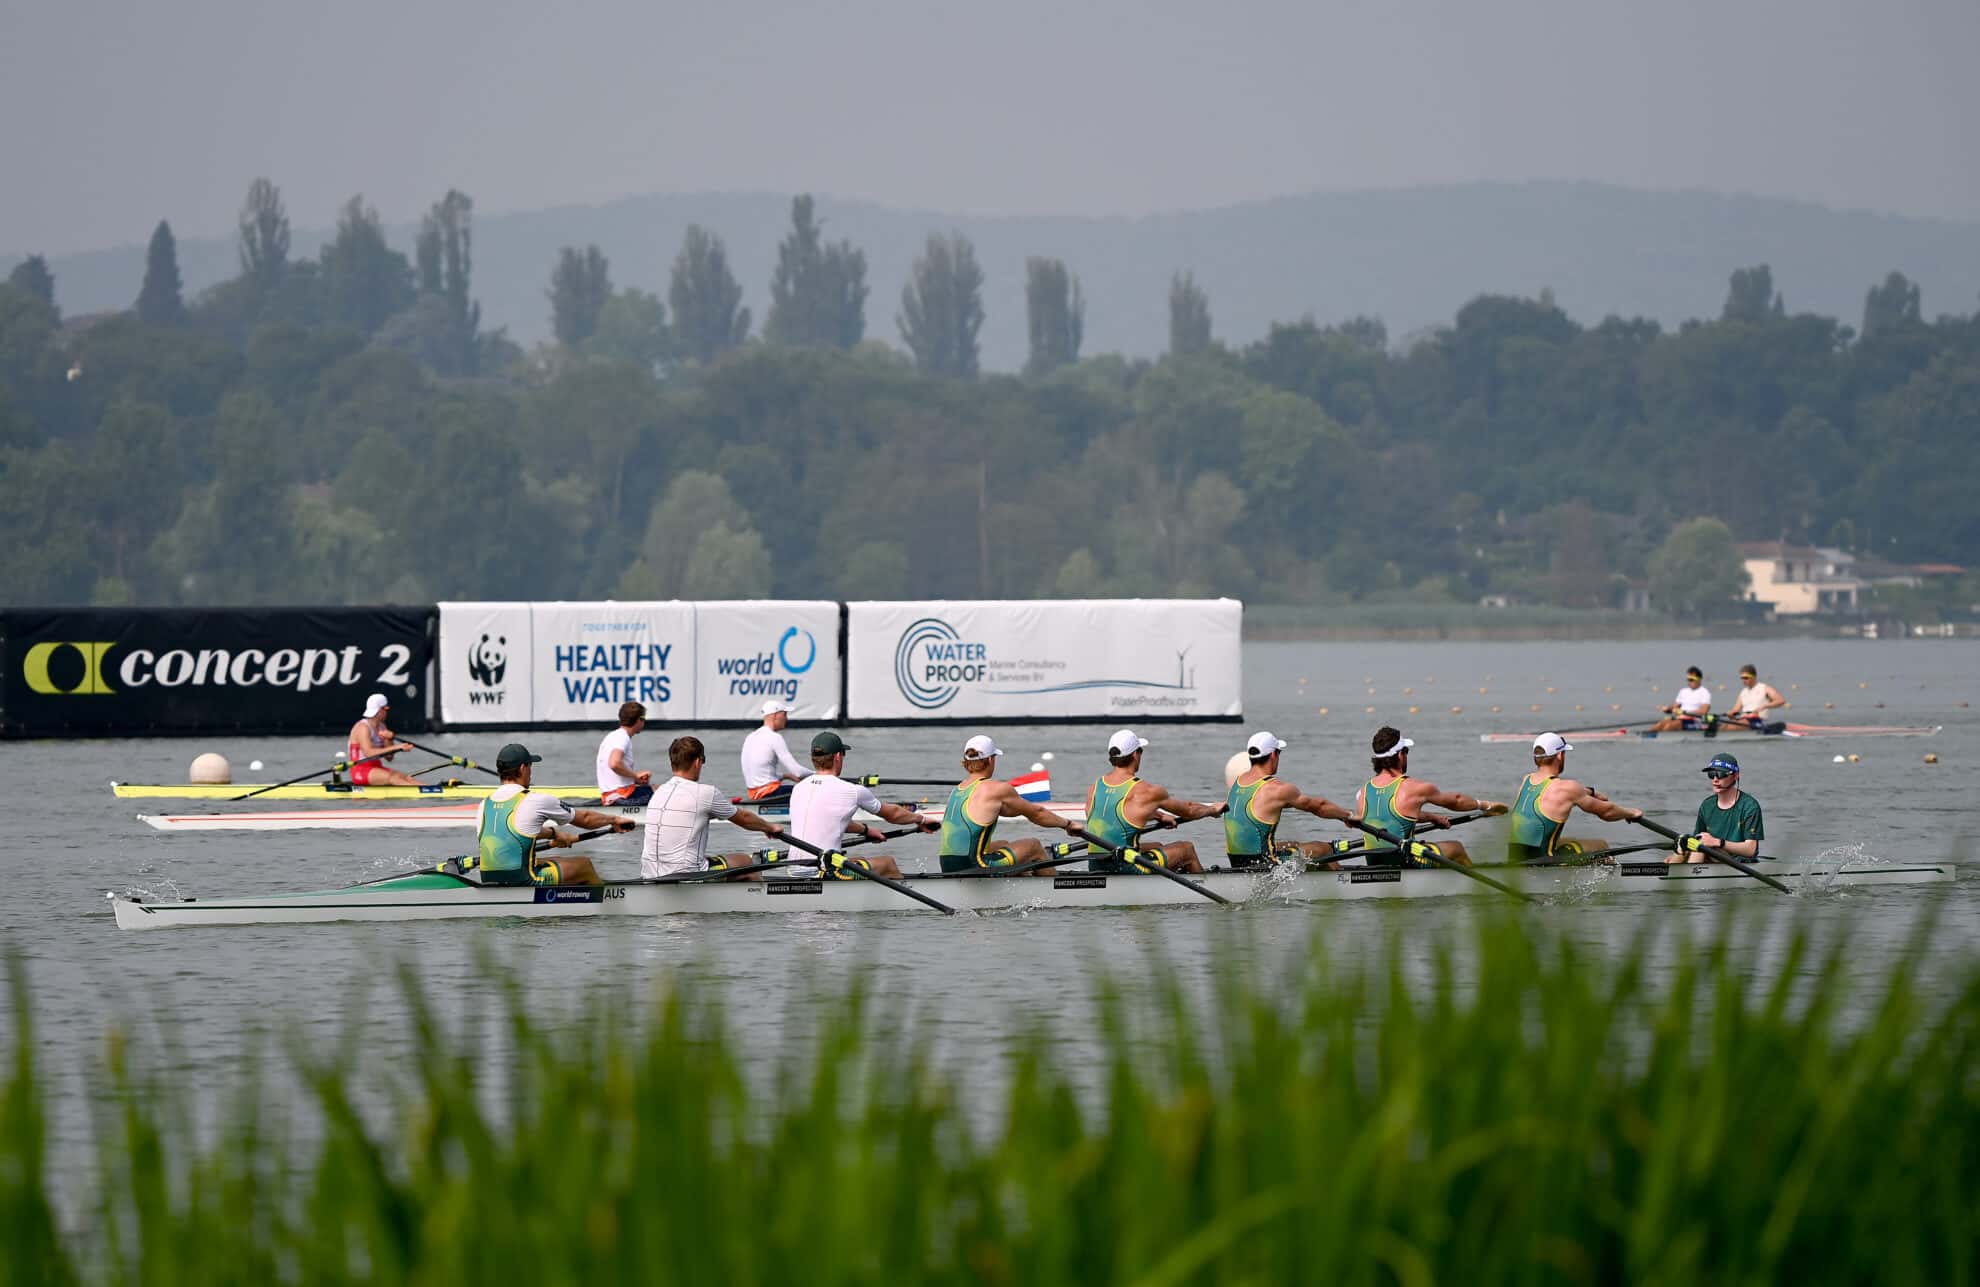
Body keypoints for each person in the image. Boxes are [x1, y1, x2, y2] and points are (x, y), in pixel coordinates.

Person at [477, 743, 635, 886]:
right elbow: (585, 819)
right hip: (524, 879)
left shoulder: (484, 804)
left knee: (558, 861)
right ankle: (606, 907)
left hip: (489, 877)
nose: (531, 773)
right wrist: (614, 819)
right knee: (584, 865)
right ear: (523, 768)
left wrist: (553, 835)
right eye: (531, 766)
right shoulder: (535, 799)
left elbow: (515, 832)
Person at [785, 731, 937, 879]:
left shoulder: (798, 788)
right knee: (888, 864)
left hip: (792, 871)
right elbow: (893, 814)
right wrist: (921, 820)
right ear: (838, 756)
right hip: (825, 874)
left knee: (857, 859)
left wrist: (866, 830)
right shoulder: (851, 790)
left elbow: (829, 819)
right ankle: (901, 902)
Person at [1354, 727, 1506, 867]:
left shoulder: (1363, 792)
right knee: (1456, 848)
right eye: (1406, 751)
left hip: (1373, 860)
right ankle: (1475, 889)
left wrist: (1432, 818)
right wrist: (1484, 805)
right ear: (1400, 755)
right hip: (1405, 860)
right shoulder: (1415, 788)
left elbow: (1391, 817)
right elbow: (1456, 800)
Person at [640, 735, 783, 879]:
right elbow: (744, 819)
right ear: (697, 762)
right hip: (687, 875)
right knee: (747, 863)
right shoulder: (706, 793)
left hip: (649, 874)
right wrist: (769, 827)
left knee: (706, 858)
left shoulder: (658, 792)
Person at [1083, 729, 1222, 874]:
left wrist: (1159, 816)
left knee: (1157, 846)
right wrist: (1212, 810)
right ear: (1135, 755)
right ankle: (1201, 890)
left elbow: (1115, 815)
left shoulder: (1094, 788)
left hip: (1096, 864)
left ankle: (1161, 887)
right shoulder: (1146, 791)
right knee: (1187, 849)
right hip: (1126, 866)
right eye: (1141, 751)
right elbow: (1188, 810)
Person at [937, 735, 1079, 875]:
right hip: (976, 866)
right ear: (991, 759)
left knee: (1003, 845)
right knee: (1033, 846)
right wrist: (1067, 824)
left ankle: (1020, 889)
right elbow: (1038, 813)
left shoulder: (957, 790)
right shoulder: (997, 789)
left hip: (948, 865)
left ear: (967, 762)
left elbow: (1006, 811)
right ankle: (1053, 893)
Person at [1223, 731, 1357, 869]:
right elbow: (1319, 807)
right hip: (1264, 864)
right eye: (1279, 752)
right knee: (1323, 849)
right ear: (1274, 755)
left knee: (1292, 844)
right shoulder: (1277, 789)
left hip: (1237, 862)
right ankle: (1341, 883)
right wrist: (1348, 815)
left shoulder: (1237, 783)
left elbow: (1263, 807)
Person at [1508, 733, 1644, 863]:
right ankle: (1606, 883)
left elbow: (1558, 793)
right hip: (1543, 861)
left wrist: (1591, 792)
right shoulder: (1568, 788)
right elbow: (1607, 812)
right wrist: (1630, 813)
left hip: (1515, 859)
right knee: (1600, 846)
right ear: (1560, 755)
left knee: (1570, 840)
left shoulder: (1527, 780)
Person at [1672, 753, 1764, 864]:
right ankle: (1663, 873)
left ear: (1735, 775)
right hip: (1714, 856)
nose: (1715, 779)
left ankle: (1689, 879)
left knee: (1700, 845)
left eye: (1721, 774)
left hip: (1739, 862)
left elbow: (1750, 850)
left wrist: (1718, 842)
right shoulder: (1707, 805)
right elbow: (1697, 839)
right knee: (1683, 848)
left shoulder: (1750, 806)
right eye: (1711, 774)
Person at [346, 692, 421, 787]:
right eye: (386, 709)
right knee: (392, 777)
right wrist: (397, 747)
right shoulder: (362, 727)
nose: (387, 712)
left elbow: (389, 758)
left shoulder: (382, 727)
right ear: (379, 710)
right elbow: (368, 753)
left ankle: (432, 789)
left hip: (376, 768)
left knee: (406, 778)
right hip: (360, 771)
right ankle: (423, 792)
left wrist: (389, 739)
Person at [740, 699, 807, 803]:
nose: (787, 719)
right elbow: (798, 772)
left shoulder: (750, 737)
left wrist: (785, 776)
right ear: (776, 715)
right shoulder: (774, 737)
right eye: (784, 714)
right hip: (769, 794)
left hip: (754, 795)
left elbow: (759, 773)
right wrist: (820, 775)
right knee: (810, 790)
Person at [595, 701, 654, 805]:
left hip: (610, 795)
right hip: (621, 796)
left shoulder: (612, 736)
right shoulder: (623, 737)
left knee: (652, 788)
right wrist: (635, 776)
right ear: (639, 720)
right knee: (662, 792)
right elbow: (614, 763)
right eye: (644, 719)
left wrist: (637, 780)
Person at [1650, 666, 1713, 733]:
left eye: (1691, 679)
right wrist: (1667, 709)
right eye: (1688, 679)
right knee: (1659, 725)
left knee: (1669, 726)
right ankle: (1645, 737)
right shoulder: (1683, 691)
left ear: (1699, 679)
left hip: (1694, 721)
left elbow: (1703, 711)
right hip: (1680, 719)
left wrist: (1684, 712)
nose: (1689, 681)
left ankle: (1663, 739)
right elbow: (1675, 707)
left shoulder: (1704, 692)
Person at [1724, 664, 1787, 729]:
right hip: (1744, 720)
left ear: (1754, 677)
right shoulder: (1743, 692)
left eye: (1746, 678)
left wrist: (1764, 706)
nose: (1743, 680)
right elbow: (1736, 709)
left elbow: (1781, 700)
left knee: (1730, 727)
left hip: (1757, 721)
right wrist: (1730, 714)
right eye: (1742, 678)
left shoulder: (1764, 688)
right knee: (1722, 726)